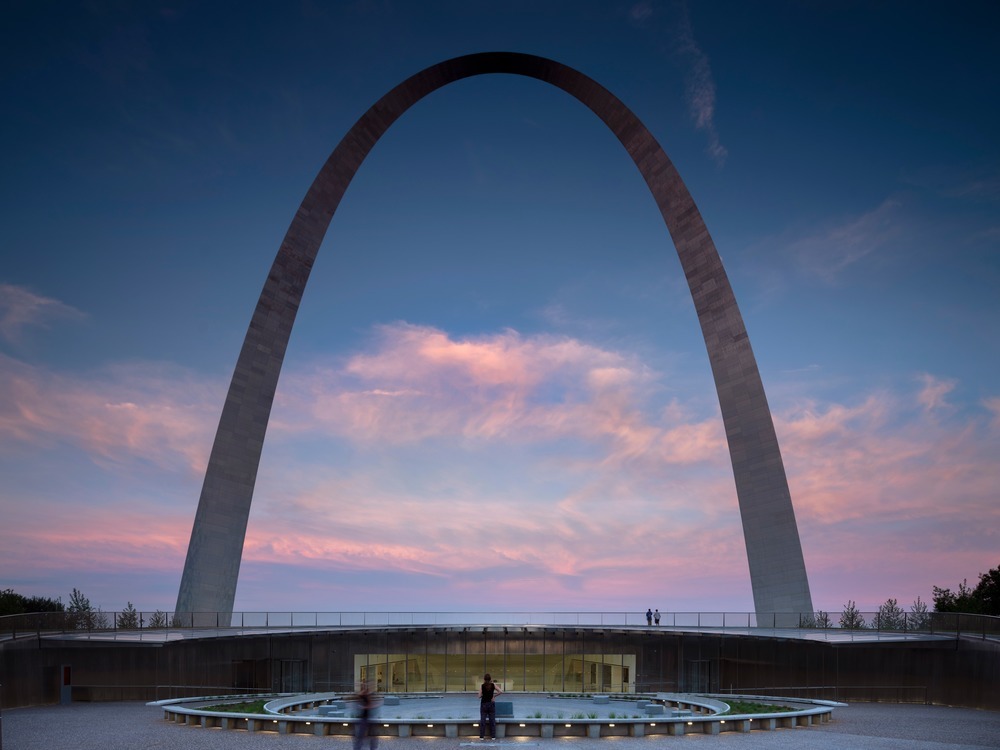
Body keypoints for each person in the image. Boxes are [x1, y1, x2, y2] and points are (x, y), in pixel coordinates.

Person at [353, 681, 380, 750]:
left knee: (372, 735)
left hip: (369, 718)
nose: (365, 688)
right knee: (360, 736)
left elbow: (372, 704)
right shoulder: (361, 695)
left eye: (365, 687)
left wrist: (368, 705)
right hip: (363, 718)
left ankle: (372, 748)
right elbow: (358, 703)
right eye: (363, 687)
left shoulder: (368, 695)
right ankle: (358, 747)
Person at [478, 672, 503, 739]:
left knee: (482, 720)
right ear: (490, 679)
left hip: (484, 704)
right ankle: (493, 736)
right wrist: (494, 696)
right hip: (491, 704)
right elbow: (501, 691)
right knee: (492, 720)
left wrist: (484, 694)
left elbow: (479, 696)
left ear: (484, 679)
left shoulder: (482, 686)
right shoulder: (493, 685)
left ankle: (481, 736)